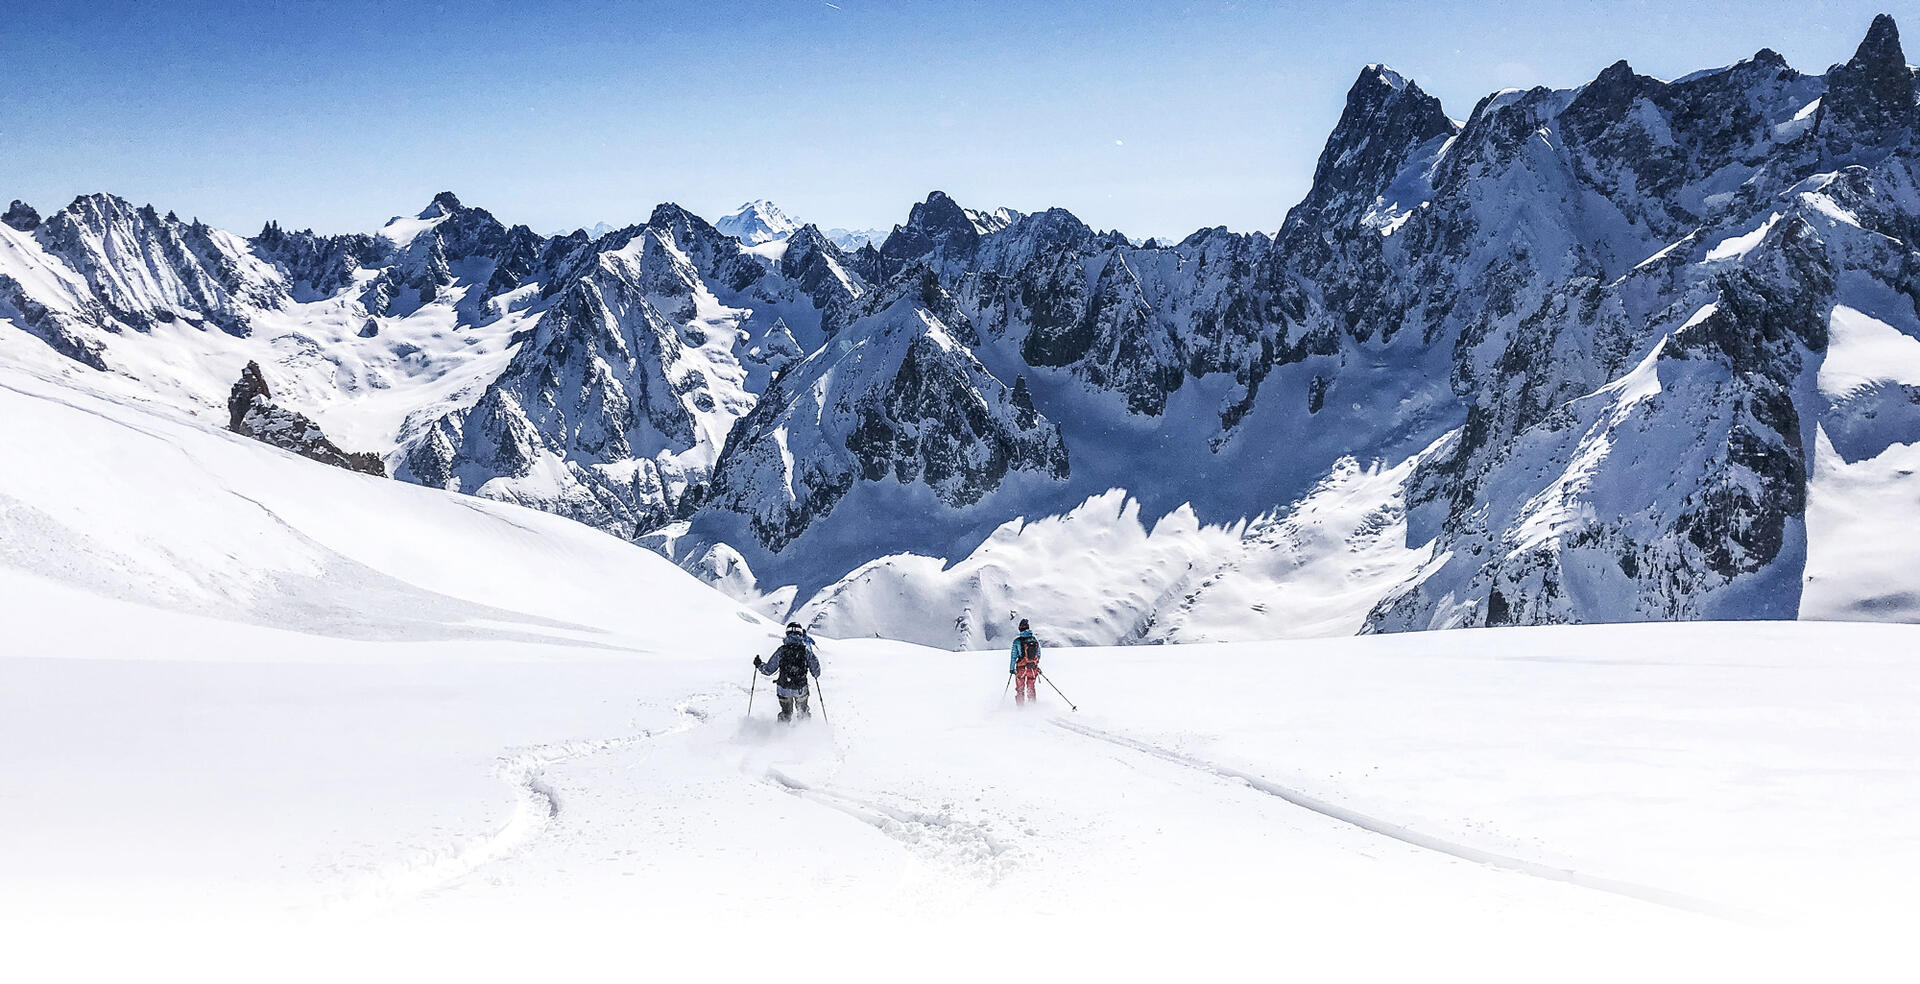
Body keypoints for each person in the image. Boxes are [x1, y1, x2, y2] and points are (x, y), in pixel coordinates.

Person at [755, 622, 821, 722]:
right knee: (803, 712)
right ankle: (805, 732)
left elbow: (768, 670)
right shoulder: (805, 651)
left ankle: (782, 733)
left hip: (783, 688)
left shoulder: (781, 651)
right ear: (800, 634)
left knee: (786, 713)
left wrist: (759, 664)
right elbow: (816, 672)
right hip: (801, 688)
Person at [1009, 618, 1040, 707]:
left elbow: (1014, 656)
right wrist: (1035, 664)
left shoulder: (1017, 641)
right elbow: (1038, 654)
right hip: (1033, 669)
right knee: (1031, 687)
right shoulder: (1034, 640)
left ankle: (1020, 708)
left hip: (1021, 669)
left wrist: (1011, 668)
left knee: (1020, 689)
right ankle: (1032, 707)